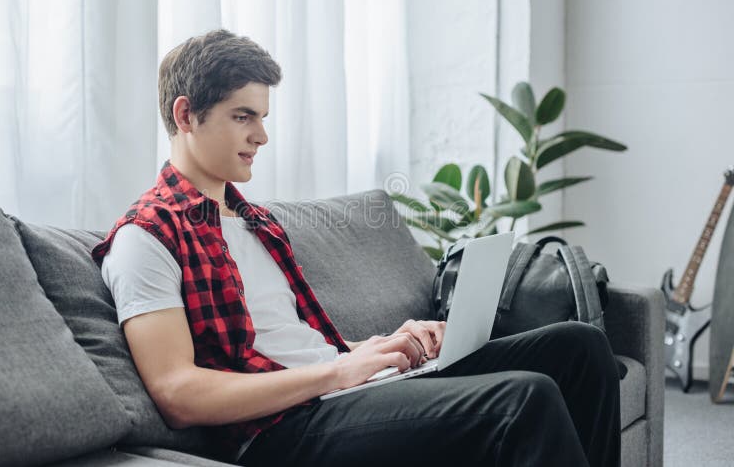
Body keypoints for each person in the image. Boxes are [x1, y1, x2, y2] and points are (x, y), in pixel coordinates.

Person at [93, 29, 620, 467]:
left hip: (340, 391)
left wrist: (380, 350)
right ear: (186, 116)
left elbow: (293, 341)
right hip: (283, 431)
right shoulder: (146, 237)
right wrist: (341, 372)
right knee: (523, 399)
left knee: (580, 348)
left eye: (263, 117)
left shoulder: (254, 220)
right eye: (242, 116)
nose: (261, 137)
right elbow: (178, 393)